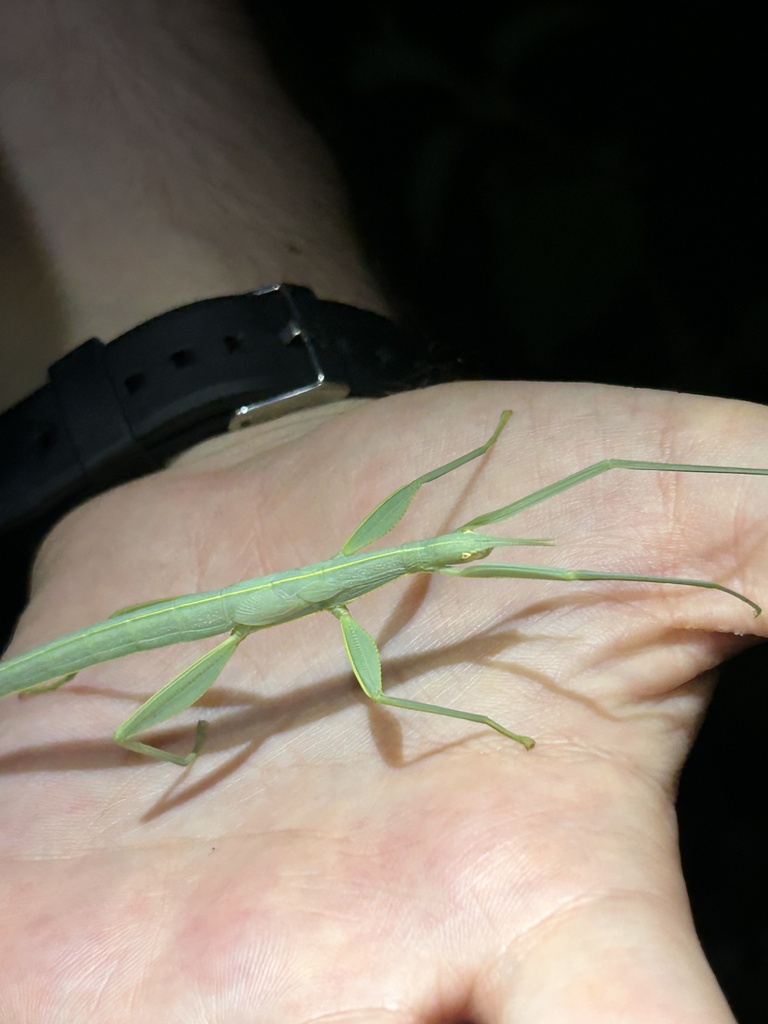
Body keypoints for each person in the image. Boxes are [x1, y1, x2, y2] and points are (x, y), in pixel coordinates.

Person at [0, 3, 762, 1020]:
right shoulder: (367, 601)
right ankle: (171, 744)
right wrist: (487, 705)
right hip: (159, 630)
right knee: (201, 715)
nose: (456, 547)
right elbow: (401, 684)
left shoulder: (370, 589)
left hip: (174, 587)